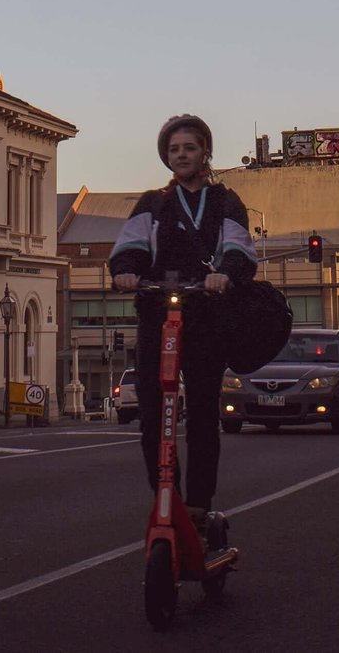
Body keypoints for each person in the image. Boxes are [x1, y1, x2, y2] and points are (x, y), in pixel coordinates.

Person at [107, 115, 259, 536]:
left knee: (204, 415)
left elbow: (238, 245)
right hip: (158, 316)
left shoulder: (226, 200)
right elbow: (130, 246)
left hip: (206, 316)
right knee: (153, 413)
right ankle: (164, 494)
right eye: (174, 150)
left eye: (189, 148)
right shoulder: (153, 203)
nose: (181, 156)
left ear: (204, 152)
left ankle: (198, 503)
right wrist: (125, 271)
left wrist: (224, 273)